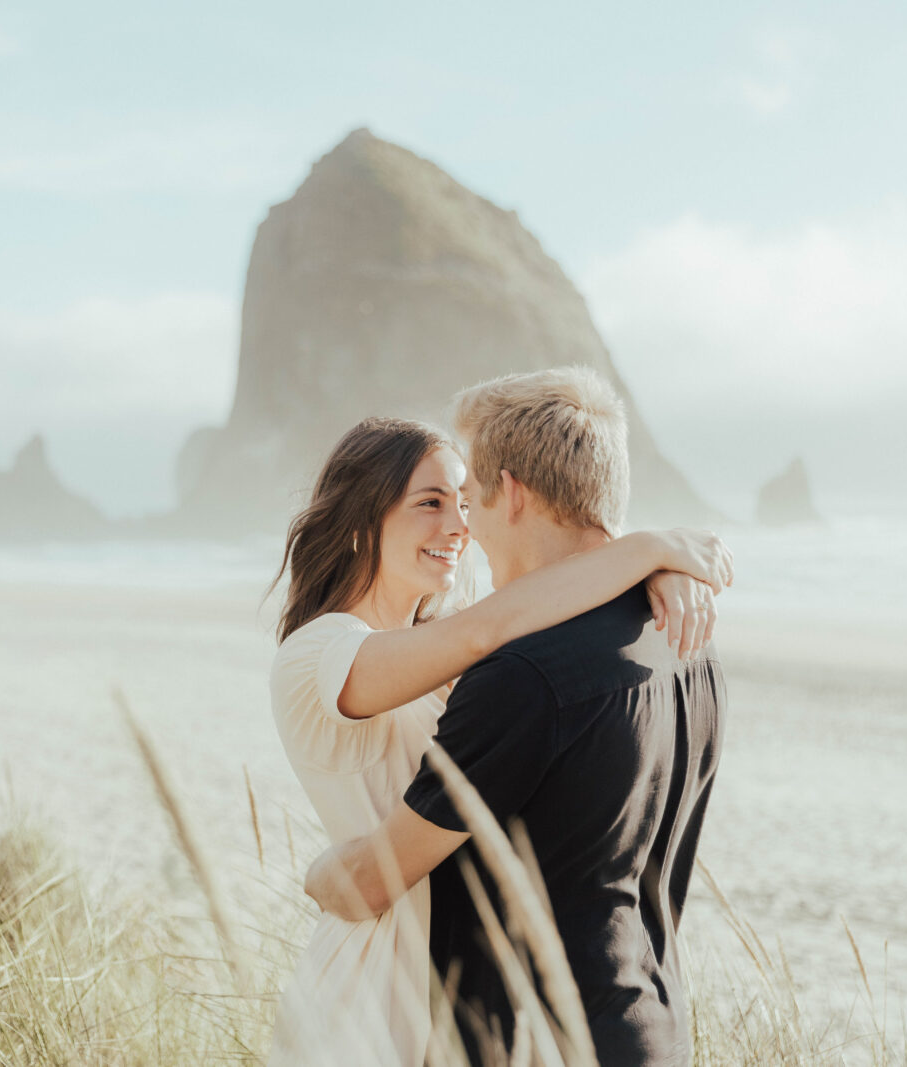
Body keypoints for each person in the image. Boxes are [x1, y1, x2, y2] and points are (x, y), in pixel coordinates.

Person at [268, 408, 732, 1067]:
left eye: (463, 501)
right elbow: (492, 627)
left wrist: (657, 576)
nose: (459, 525)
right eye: (430, 502)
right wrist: (647, 551)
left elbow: (548, 599)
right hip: (369, 989)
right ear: (357, 521)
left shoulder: (440, 639)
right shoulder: (319, 655)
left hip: (451, 993)